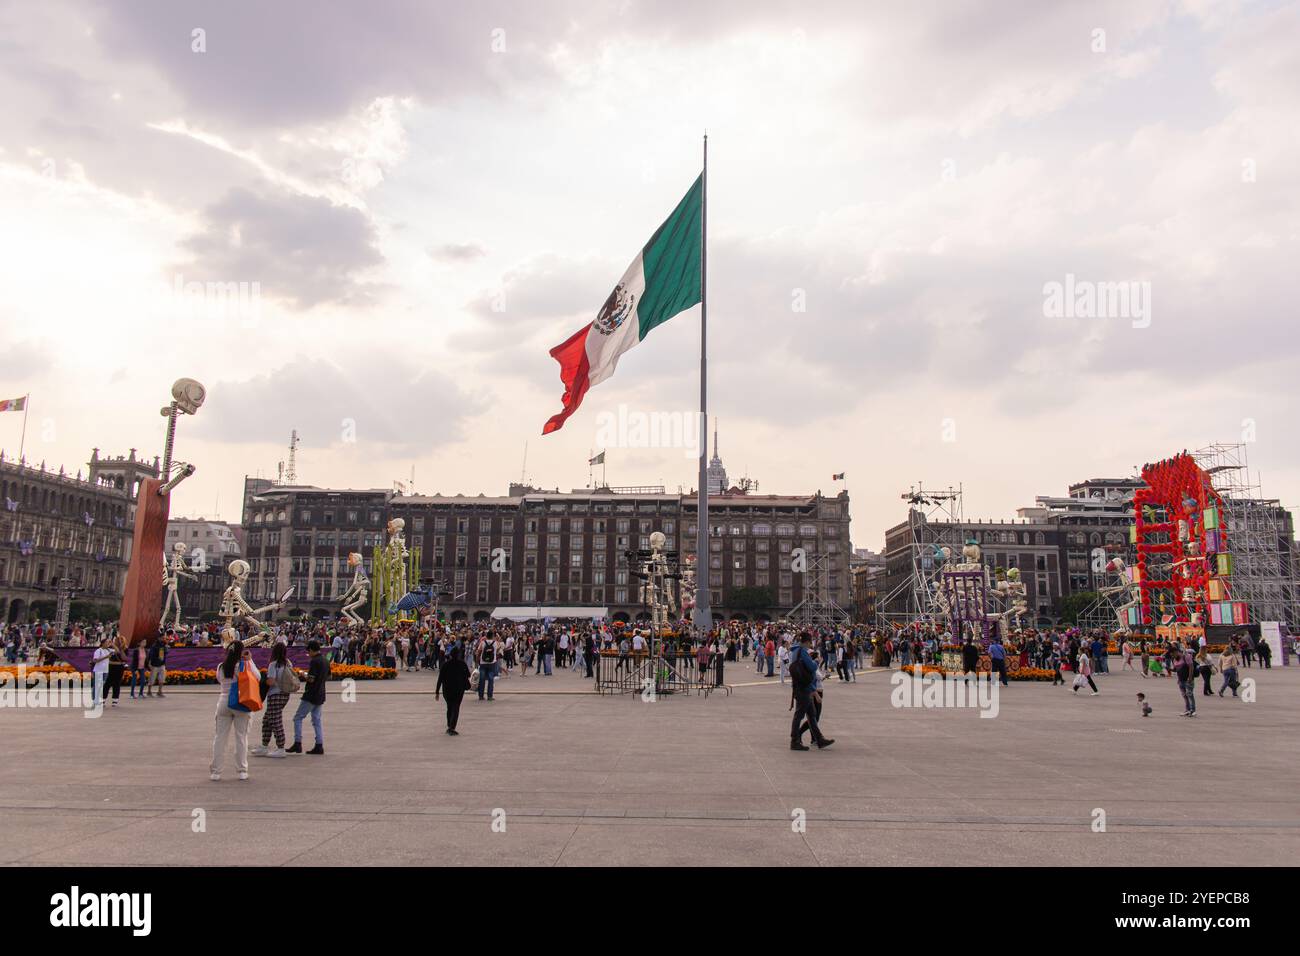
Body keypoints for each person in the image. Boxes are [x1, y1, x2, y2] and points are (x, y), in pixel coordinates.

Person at [211, 640, 260, 781]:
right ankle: (242, 770)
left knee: (220, 737)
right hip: (241, 701)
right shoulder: (244, 665)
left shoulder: (221, 666)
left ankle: (216, 771)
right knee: (241, 737)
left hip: (223, 702)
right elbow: (257, 677)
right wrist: (250, 660)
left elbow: (220, 680)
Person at [789, 634, 833, 751]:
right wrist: (816, 662)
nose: (810, 645)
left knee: (812, 715)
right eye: (810, 642)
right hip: (803, 689)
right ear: (806, 642)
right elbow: (812, 667)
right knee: (799, 715)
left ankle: (819, 739)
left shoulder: (795, 651)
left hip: (803, 687)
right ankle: (794, 741)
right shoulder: (802, 651)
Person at [252, 642, 295, 758]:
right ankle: (264, 745)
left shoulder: (273, 664)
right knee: (267, 719)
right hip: (285, 694)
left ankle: (280, 747)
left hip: (275, 694)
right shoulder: (288, 663)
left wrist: (262, 681)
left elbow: (271, 681)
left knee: (275, 720)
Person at [287, 639, 328, 755]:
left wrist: (303, 674)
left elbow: (311, 679)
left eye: (308, 652)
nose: (308, 654)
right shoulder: (325, 660)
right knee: (316, 720)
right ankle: (319, 744)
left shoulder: (315, 661)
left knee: (298, 718)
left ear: (311, 650)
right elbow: (329, 676)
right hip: (320, 693)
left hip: (311, 694)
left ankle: (298, 742)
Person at [435, 644, 471, 735]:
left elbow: (440, 678)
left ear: (450, 654)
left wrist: (437, 692)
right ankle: (452, 727)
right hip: (459, 689)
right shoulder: (462, 664)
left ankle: (449, 725)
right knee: (456, 707)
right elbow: (468, 675)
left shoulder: (445, 664)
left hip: (447, 690)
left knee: (449, 707)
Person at [1173, 644, 1198, 717]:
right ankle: (1187, 710)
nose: (1173, 656)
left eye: (1173, 654)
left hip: (1188, 680)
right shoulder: (1175, 660)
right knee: (1184, 695)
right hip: (1181, 680)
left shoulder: (1186, 657)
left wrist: (1190, 678)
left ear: (1177, 652)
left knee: (1190, 694)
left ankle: (1193, 711)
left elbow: (1191, 667)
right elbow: (1177, 670)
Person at [477, 633, 500, 701]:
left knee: (482, 679)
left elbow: (479, 651)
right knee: (491, 679)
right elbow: (498, 650)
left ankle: (481, 696)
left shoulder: (482, 642)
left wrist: (477, 660)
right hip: (492, 663)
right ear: (492, 636)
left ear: (486, 636)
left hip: (483, 663)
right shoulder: (496, 643)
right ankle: (489, 696)